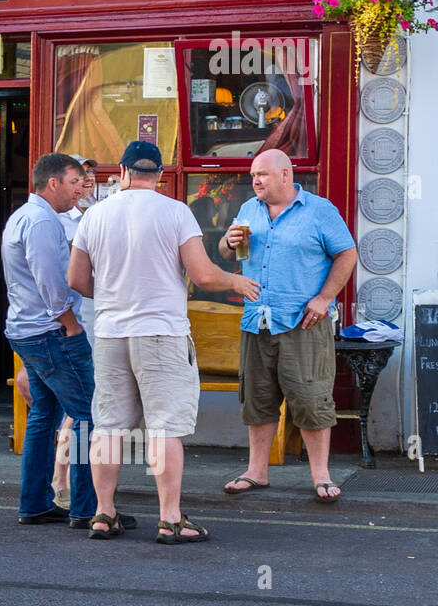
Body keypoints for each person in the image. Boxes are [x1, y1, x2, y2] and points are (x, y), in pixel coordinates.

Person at [69, 141, 260, 543]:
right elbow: (204, 276)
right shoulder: (176, 212)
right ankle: (170, 518)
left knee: (108, 426)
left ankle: (103, 514)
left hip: (109, 334)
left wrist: (110, 297)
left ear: (121, 172)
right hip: (160, 332)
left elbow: (76, 280)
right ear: (158, 174)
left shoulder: (95, 215)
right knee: (164, 428)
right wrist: (236, 281)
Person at [220, 148, 357, 503]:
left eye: (262, 174)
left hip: (302, 321)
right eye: (253, 175)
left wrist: (325, 298)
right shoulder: (249, 209)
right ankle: (256, 472)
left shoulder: (319, 210)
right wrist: (228, 242)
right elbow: (227, 250)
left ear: (285, 175)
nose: (255, 181)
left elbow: (347, 253)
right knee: (257, 398)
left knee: (311, 399)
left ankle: (321, 475)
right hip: (256, 319)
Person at [3, 153, 103, 530]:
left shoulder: (22, 217)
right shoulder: (43, 221)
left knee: (43, 417)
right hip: (52, 332)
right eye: (74, 182)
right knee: (85, 417)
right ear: (53, 184)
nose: (80, 188)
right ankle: (85, 508)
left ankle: (35, 504)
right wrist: (71, 324)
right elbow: (49, 281)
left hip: (26, 330)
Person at [50, 154, 98, 508]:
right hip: (76, 322)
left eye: (91, 178)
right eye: (80, 179)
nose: (87, 183)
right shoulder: (57, 221)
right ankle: (61, 480)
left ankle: (82, 485)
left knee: (87, 407)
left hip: (98, 318)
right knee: (80, 407)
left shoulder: (96, 213)